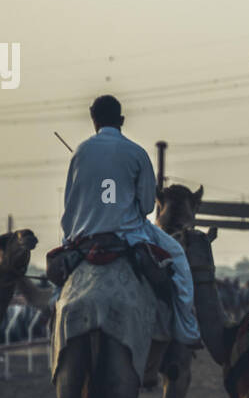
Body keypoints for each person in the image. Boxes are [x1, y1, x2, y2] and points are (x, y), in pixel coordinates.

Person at [60, 95, 201, 346]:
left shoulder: (80, 152)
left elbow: (70, 205)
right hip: (130, 233)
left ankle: (54, 312)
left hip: (83, 234)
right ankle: (186, 330)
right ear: (122, 120)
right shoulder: (137, 153)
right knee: (178, 256)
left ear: (94, 120)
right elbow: (147, 205)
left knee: (59, 284)